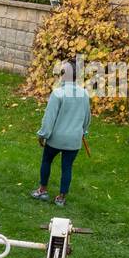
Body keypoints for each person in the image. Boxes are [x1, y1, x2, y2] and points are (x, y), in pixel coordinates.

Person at [31, 59, 91, 207]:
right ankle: (61, 198)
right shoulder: (84, 94)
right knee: (67, 167)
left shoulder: (58, 93)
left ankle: (42, 190)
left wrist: (43, 135)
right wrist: (83, 131)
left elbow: (49, 118)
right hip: (74, 140)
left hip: (56, 139)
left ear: (64, 75)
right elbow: (87, 117)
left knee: (47, 161)